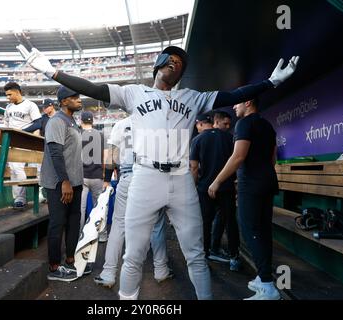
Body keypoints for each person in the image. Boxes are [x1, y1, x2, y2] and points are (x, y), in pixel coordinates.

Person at [18, 44, 298, 299]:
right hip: (144, 176)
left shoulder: (192, 97)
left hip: (180, 179)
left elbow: (233, 95)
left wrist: (270, 83)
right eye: (172, 59)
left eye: (181, 64)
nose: (177, 64)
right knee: (134, 256)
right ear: (160, 62)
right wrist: (53, 72)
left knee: (196, 256)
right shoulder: (133, 93)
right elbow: (93, 88)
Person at [208, 98, 281, 300]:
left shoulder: (245, 123)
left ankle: (267, 286)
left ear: (248, 103)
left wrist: (217, 181)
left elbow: (238, 157)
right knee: (264, 230)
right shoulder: (266, 124)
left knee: (250, 230)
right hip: (267, 181)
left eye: (237, 103)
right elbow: (273, 157)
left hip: (253, 184)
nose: (233, 106)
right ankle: (264, 277)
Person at [94, 116, 174, 288]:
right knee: (156, 226)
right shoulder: (157, 120)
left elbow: (111, 157)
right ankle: (161, 270)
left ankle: (108, 273)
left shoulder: (121, 124)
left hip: (128, 175)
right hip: (153, 176)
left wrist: (107, 179)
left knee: (119, 225)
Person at [42, 85, 87, 282]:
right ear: (63, 102)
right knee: (58, 223)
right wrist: (65, 181)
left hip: (74, 181)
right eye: (74, 96)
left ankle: (70, 259)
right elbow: (55, 153)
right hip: (59, 183)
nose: (79, 99)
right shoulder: (56, 121)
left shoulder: (72, 121)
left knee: (74, 221)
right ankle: (54, 266)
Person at [190, 111, 240, 271]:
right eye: (225, 123)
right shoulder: (230, 138)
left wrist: (192, 188)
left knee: (204, 222)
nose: (227, 127)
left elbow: (194, 167)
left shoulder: (198, 139)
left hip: (205, 188)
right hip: (226, 187)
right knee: (230, 222)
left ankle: (204, 256)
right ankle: (234, 258)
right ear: (216, 122)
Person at [3, 81, 41, 209]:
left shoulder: (30, 105)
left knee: (34, 169)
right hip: (13, 141)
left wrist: (22, 132)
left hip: (27, 141)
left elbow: (38, 123)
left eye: (9, 94)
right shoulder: (8, 108)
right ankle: (20, 198)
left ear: (17, 92)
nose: (7, 97)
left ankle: (36, 194)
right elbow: (6, 125)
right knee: (14, 169)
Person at [79, 111, 108, 242]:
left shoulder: (77, 134)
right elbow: (106, 156)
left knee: (80, 209)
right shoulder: (101, 135)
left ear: (81, 121)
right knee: (100, 208)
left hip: (81, 176)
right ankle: (102, 235)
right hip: (97, 175)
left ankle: (80, 236)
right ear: (93, 122)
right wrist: (104, 173)